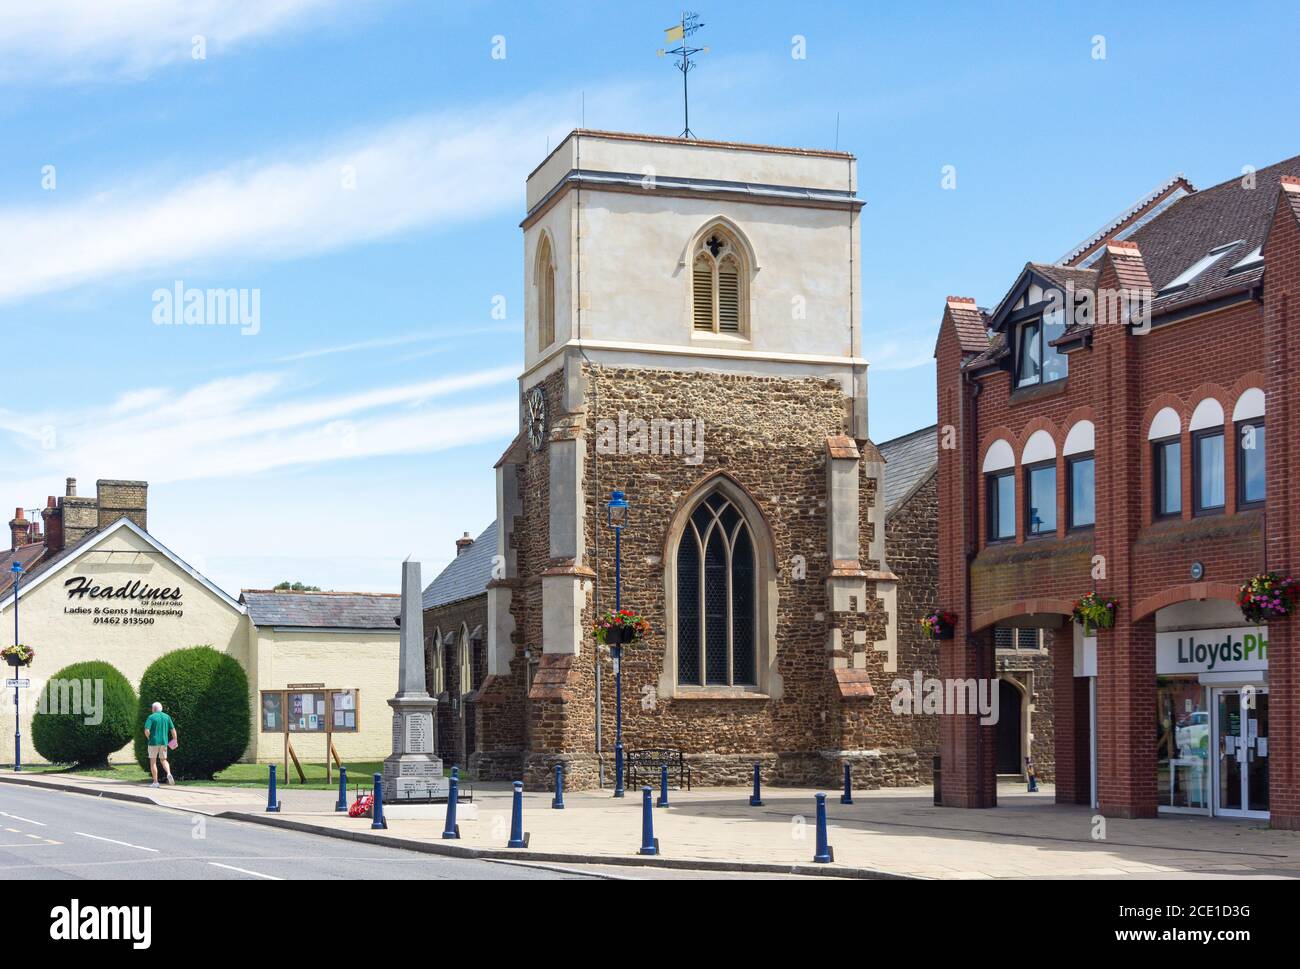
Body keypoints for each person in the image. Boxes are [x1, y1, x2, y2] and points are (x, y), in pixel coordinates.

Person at [143, 701, 177, 787]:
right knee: (163, 760)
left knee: (153, 762)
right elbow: (173, 730)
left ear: (153, 709)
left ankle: (155, 782)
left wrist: (149, 738)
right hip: (164, 742)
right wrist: (174, 740)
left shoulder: (151, 717)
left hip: (153, 742)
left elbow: (147, 731)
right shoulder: (167, 717)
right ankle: (169, 773)